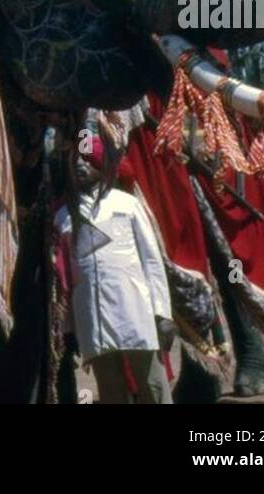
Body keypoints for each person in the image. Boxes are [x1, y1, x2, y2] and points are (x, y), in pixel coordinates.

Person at [54, 136, 175, 405]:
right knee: (110, 391)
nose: (81, 166)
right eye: (76, 162)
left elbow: (152, 262)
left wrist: (162, 313)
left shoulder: (127, 205)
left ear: (103, 165)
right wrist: (68, 327)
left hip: (134, 310)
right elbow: (62, 279)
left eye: (87, 159)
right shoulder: (62, 216)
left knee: (153, 385)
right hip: (91, 317)